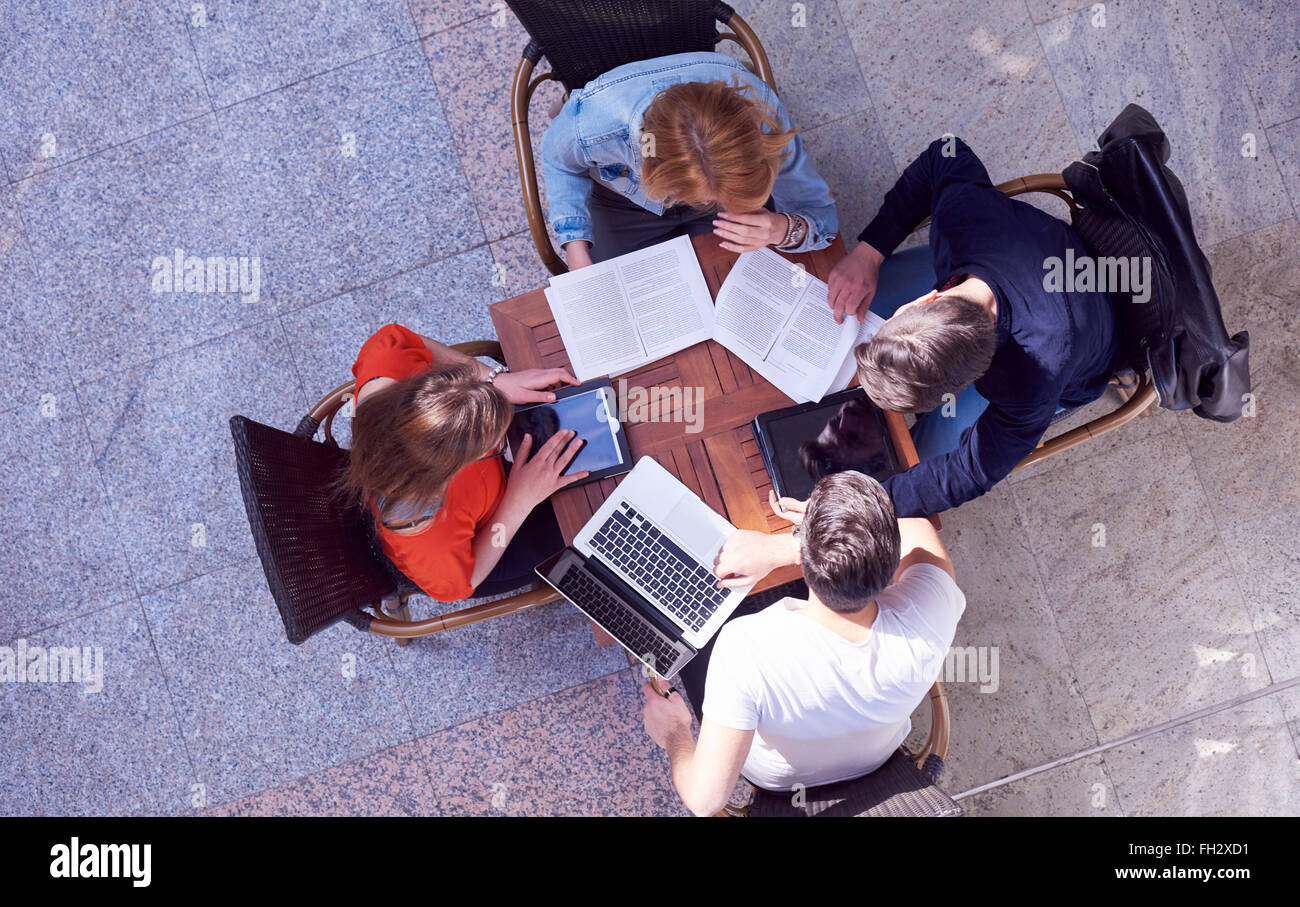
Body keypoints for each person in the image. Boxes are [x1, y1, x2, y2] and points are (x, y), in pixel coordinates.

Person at [825, 136, 1122, 517]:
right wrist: (869, 251)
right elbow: (945, 150)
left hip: (1087, 341)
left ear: (970, 383)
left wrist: (868, 506)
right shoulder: (962, 218)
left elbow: (971, 470)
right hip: (1026, 263)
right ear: (926, 301)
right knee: (844, 311)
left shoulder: (1033, 382)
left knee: (923, 458)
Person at [640, 472, 965, 816]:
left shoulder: (743, 648)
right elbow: (918, 530)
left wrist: (675, 731)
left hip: (776, 784)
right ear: (888, 562)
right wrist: (811, 543)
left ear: (806, 563)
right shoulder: (930, 612)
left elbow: (704, 801)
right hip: (875, 759)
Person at [343, 323, 587, 601]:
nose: (502, 438)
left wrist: (492, 379)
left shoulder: (385, 370)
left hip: (492, 493)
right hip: (488, 541)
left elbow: (394, 337)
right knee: (585, 519)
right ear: (445, 477)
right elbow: (463, 582)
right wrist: (517, 503)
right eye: (493, 444)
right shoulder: (428, 542)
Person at [540, 51, 837, 267]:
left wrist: (780, 228)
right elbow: (559, 162)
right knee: (614, 294)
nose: (699, 205)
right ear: (651, 163)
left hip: (722, 199)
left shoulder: (760, 118)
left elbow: (822, 219)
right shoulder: (594, 125)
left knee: (747, 275)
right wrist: (576, 246)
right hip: (624, 201)